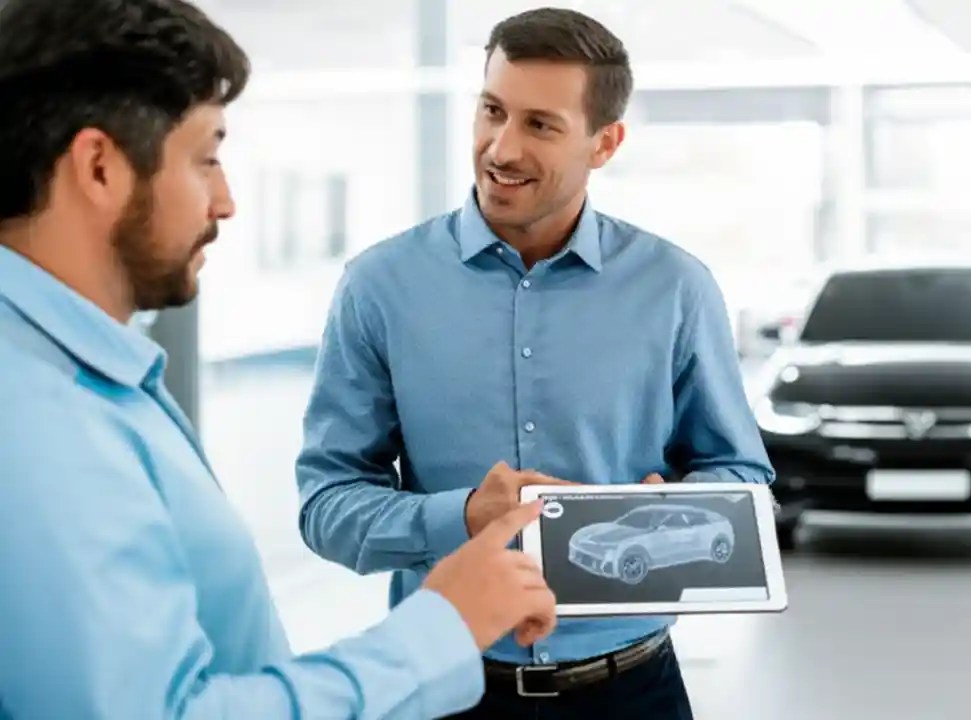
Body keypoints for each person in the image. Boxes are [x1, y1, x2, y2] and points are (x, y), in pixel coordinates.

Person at [0, 1, 558, 717]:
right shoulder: (40, 419)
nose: (226, 201)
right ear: (100, 168)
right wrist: (442, 626)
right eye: (206, 158)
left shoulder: (83, 378)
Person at [295, 7, 776, 719]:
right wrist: (461, 516)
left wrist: (674, 508)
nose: (501, 148)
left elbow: (742, 476)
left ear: (604, 143)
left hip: (633, 692)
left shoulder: (676, 288)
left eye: (540, 125)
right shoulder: (379, 287)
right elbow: (327, 504)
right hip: (444, 687)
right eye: (492, 110)